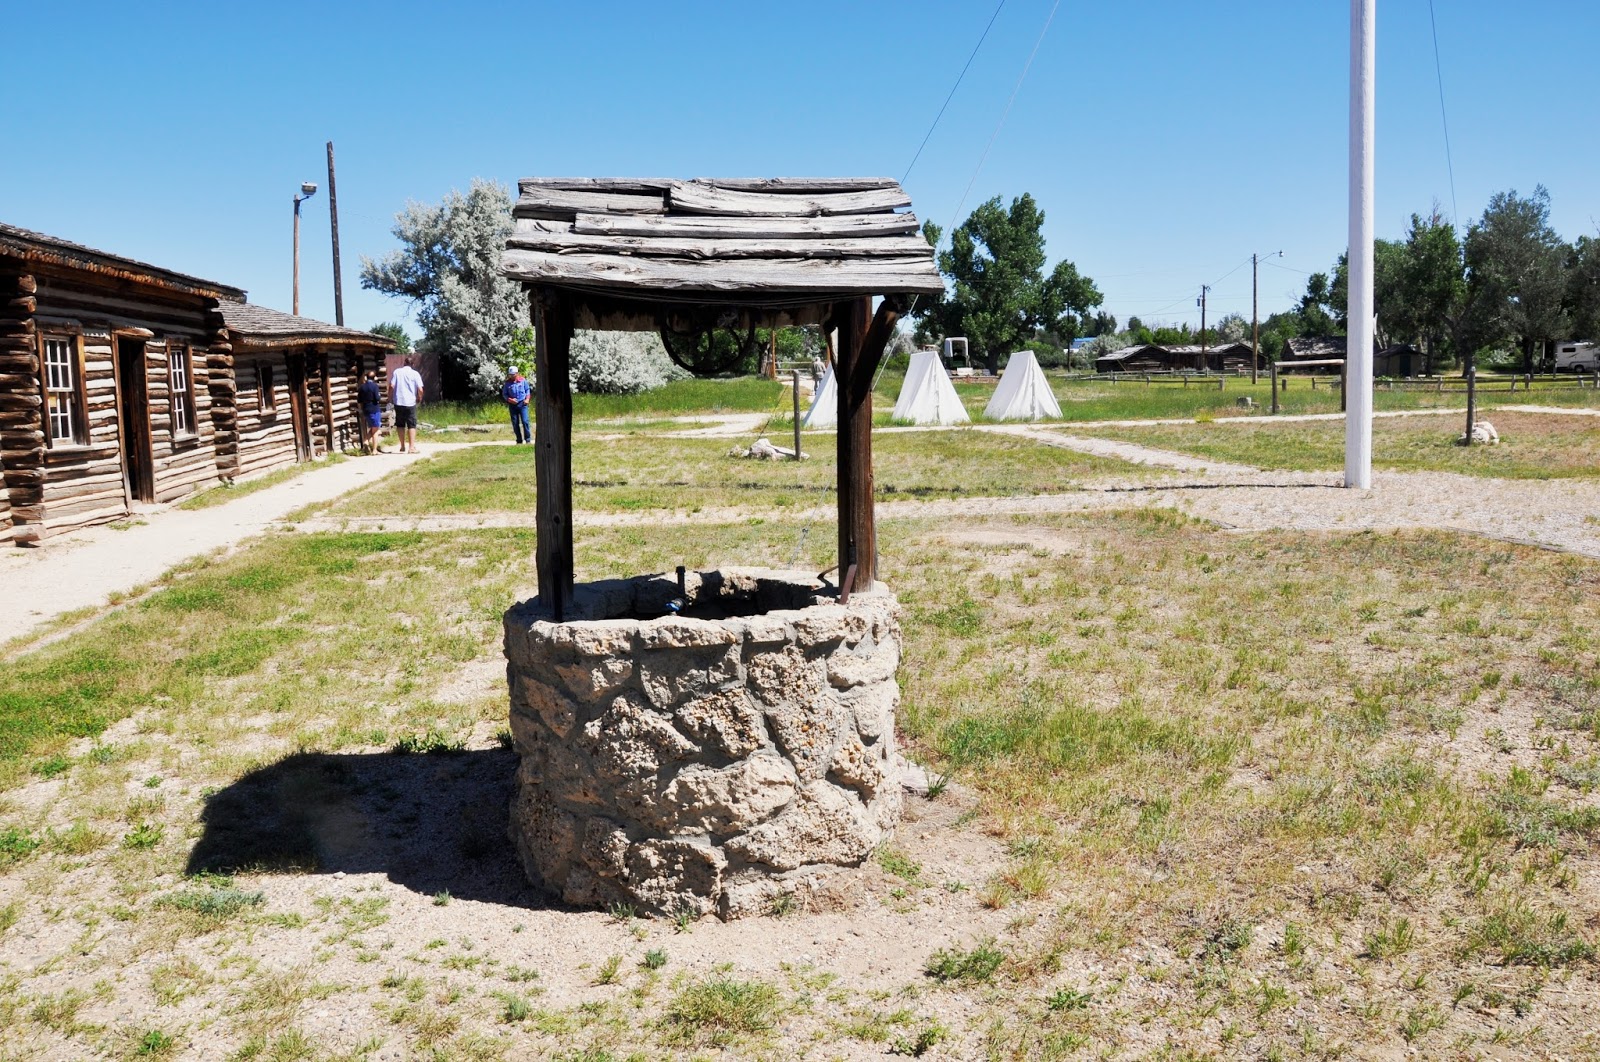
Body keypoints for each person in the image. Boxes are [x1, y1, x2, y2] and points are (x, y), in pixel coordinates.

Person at [390, 354, 424, 454]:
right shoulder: (415, 374)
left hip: (398, 401)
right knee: (411, 424)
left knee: (400, 424)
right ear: (412, 364)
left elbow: (391, 386)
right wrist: (419, 397)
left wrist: (389, 396)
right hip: (410, 402)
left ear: (404, 363)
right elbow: (420, 389)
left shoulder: (397, 372)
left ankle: (402, 446)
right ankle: (411, 447)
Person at [357, 370, 386, 453]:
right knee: (375, 429)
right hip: (374, 409)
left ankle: (366, 442)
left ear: (366, 377)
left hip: (366, 409)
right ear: (374, 378)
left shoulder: (362, 387)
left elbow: (359, 400)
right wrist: (379, 395)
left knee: (373, 427)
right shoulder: (374, 386)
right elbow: (377, 398)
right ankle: (374, 449)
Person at [502, 365, 531, 444]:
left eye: (513, 374)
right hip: (513, 405)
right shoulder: (507, 383)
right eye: (510, 375)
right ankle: (519, 440)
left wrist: (527, 399)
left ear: (517, 373)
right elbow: (504, 394)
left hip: (522, 404)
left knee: (525, 421)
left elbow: (527, 390)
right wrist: (510, 400)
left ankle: (528, 439)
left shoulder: (523, 380)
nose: (511, 376)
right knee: (515, 423)